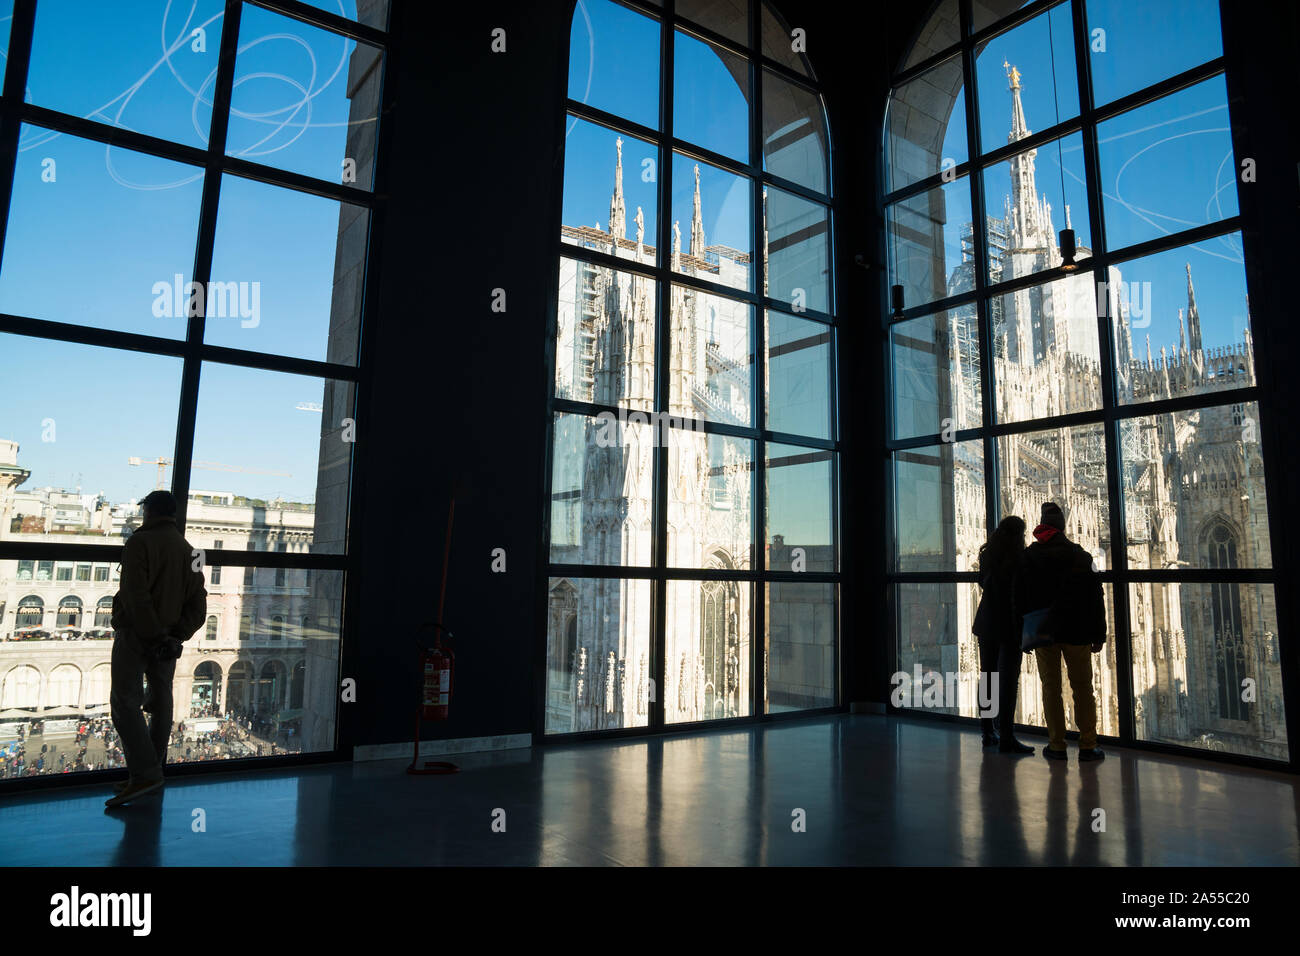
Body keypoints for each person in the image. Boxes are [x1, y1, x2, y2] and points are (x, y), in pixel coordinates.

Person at [106, 490, 208, 807]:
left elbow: (136, 595)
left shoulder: (140, 543)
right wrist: (175, 636)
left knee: (125, 703)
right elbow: (199, 604)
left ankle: (145, 774)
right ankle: (151, 771)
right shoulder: (190, 550)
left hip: (137, 636)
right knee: (161, 700)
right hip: (167, 640)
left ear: (149, 512)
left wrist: (152, 635)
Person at [1013, 502, 1107, 762]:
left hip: (1045, 632)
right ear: (1064, 527)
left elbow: (1020, 598)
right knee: (1083, 688)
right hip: (1078, 632)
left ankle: (1056, 745)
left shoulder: (1030, 557)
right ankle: (1088, 745)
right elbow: (1096, 597)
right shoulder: (1082, 556)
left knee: (1050, 688)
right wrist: (1099, 635)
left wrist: (1025, 632)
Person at [972, 515, 1034, 755]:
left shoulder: (988, 554)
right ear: (1019, 534)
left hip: (986, 623)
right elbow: (1022, 594)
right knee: (1009, 682)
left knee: (988, 677)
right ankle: (1007, 735)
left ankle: (988, 731)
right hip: (1009, 626)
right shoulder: (1020, 558)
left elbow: (983, 583)